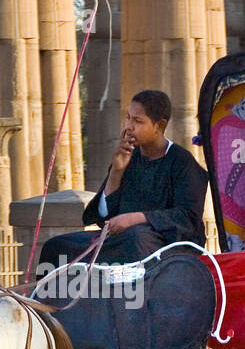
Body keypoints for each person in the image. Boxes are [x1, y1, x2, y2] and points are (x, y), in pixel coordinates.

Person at [38, 90, 209, 270]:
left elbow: (187, 218)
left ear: (159, 126)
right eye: (128, 118)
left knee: (136, 238)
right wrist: (116, 171)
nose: (128, 126)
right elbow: (105, 216)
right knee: (56, 247)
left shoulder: (182, 162)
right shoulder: (127, 157)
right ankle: (51, 299)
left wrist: (134, 218)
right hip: (120, 241)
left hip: (165, 245)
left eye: (137, 121)